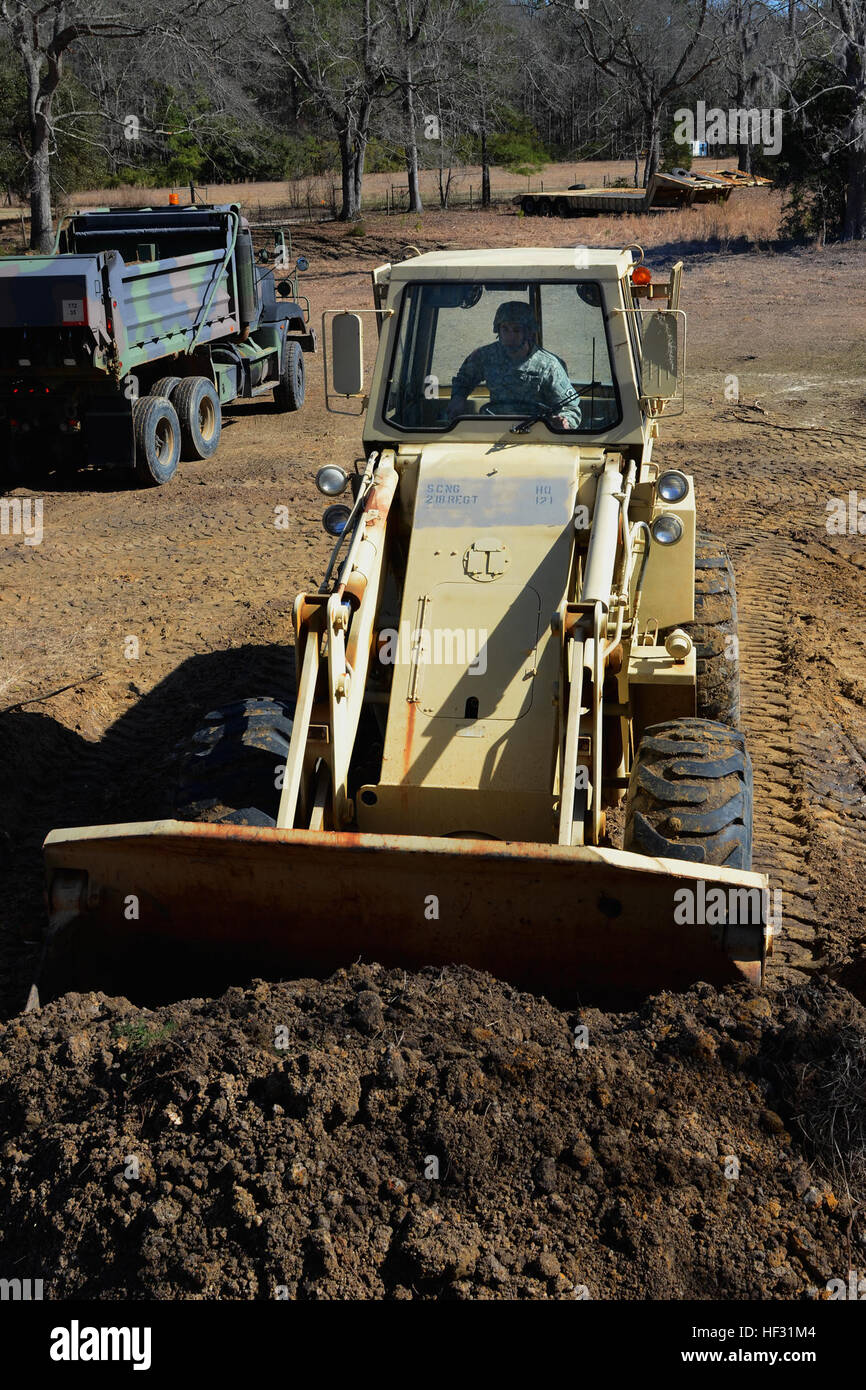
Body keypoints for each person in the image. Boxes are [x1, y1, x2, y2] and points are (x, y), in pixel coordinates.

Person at [447, 300, 581, 428]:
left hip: (536, 433)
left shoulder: (549, 365)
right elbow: (463, 380)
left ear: (528, 333)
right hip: (492, 428)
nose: (510, 336)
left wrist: (565, 421)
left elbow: (570, 408)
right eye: (505, 329)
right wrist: (458, 398)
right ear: (498, 330)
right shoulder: (485, 356)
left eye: (516, 330)